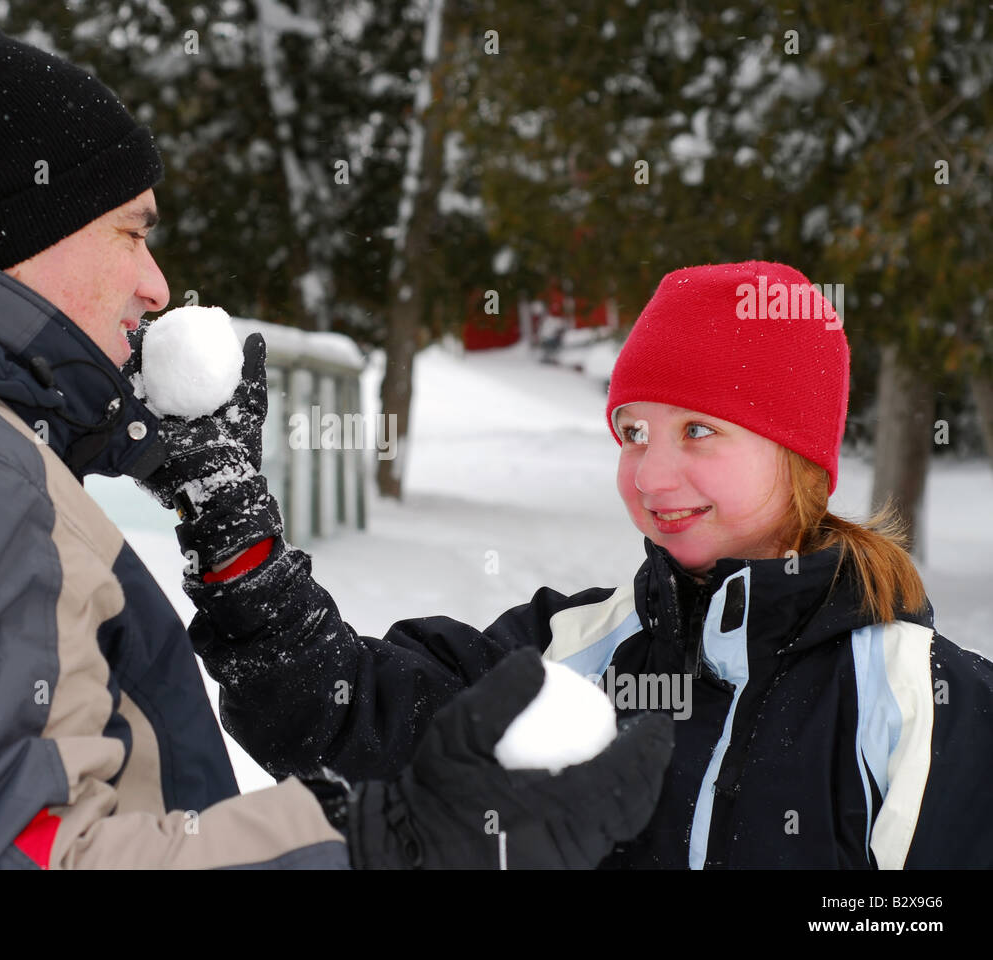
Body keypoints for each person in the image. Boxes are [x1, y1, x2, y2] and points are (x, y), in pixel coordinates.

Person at [0, 19, 673, 870]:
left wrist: (224, 527)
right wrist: (385, 846)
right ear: (16, 232)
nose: (158, 285)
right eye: (132, 231)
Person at [139, 259, 993, 868]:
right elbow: (340, 712)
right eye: (633, 433)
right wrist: (238, 544)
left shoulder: (920, 702)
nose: (652, 476)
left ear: (800, 456)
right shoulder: (572, 650)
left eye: (699, 430)